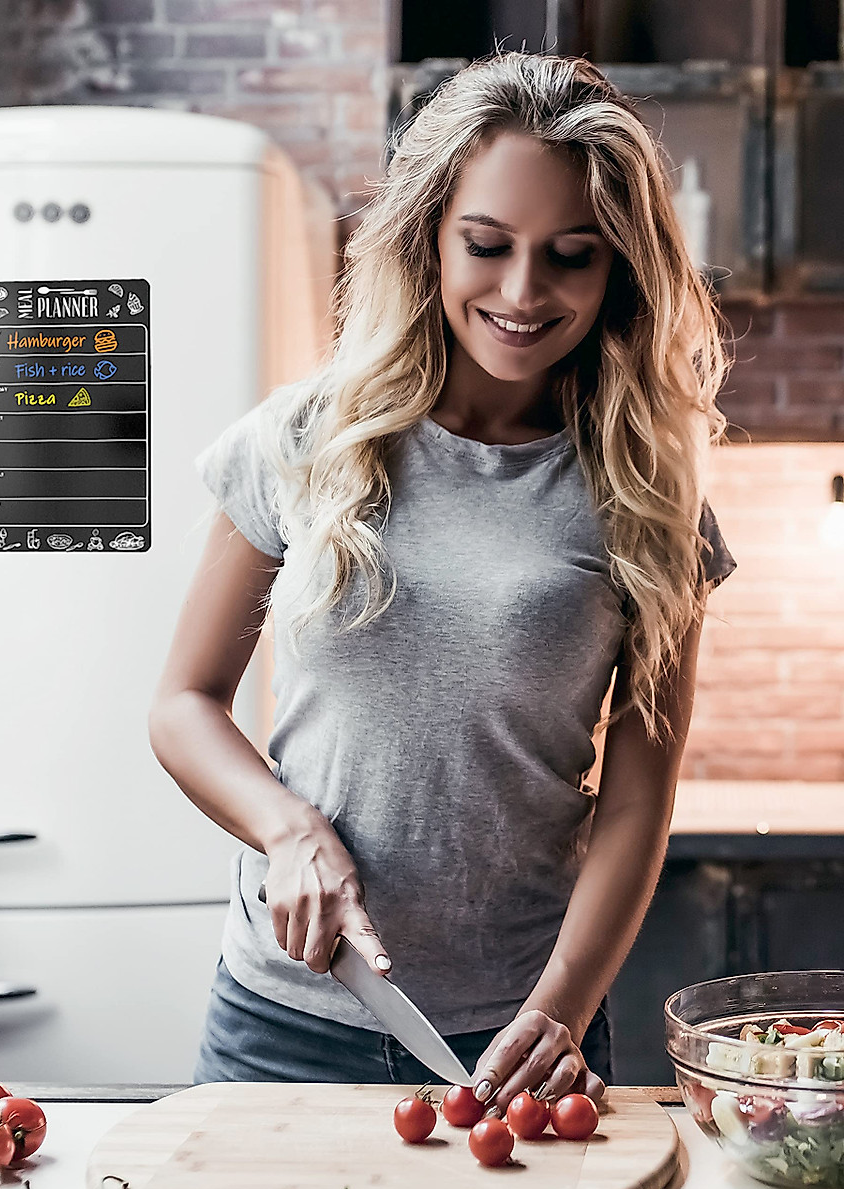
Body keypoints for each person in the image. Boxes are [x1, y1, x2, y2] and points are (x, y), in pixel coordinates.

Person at [148, 51, 736, 1110]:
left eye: (571, 255)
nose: (522, 292)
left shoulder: (647, 497)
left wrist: (560, 1007)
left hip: (525, 1034)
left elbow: (641, 794)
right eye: (487, 245)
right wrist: (286, 830)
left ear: (619, 273)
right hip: (284, 1016)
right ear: (428, 236)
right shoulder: (305, 436)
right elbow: (183, 706)